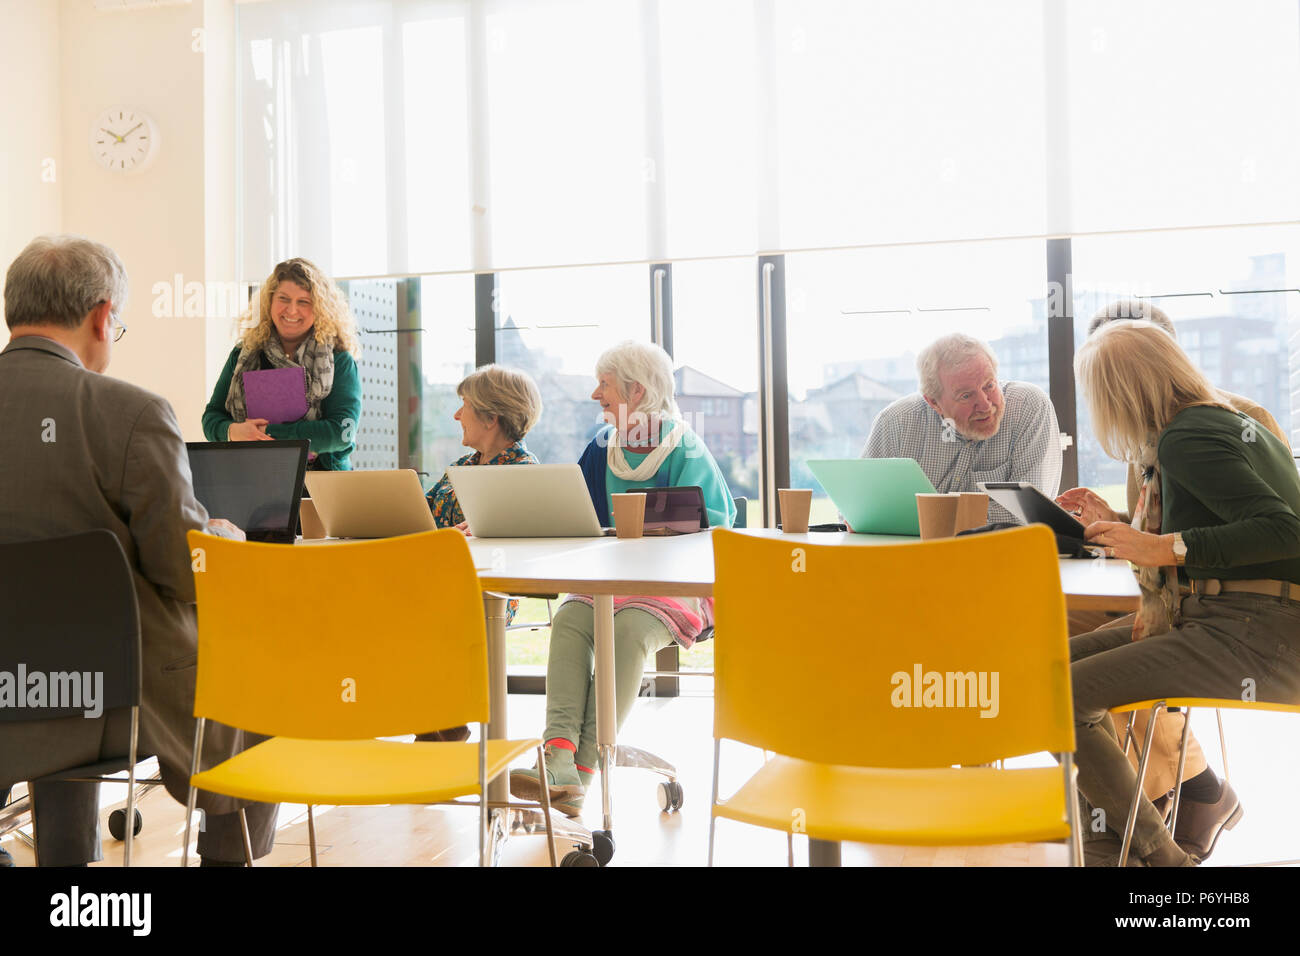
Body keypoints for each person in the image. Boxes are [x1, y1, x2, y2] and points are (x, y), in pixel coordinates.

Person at [0, 235, 278, 866]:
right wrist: (223, 540)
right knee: (251, 655)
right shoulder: (129, 412)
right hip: (116, 697)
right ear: (102, 315)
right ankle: (228, 854)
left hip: (16, 686)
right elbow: (183, 572)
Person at [1058, 300, 1289, 860]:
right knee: (1050, 676)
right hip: (1224, 619)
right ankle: (1124, 831)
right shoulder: (1213, 423)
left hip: (1256, 634)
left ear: (1120, 391)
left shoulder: (1185, 437)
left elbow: (1286, 531)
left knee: (1060, 695)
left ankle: (1154, 854)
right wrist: (1120, 527)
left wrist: (1163, 545)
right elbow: (1216, 532)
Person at [509, 341, 735, 816]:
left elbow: (718, 522)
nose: (596, 394)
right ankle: (559, 756)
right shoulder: (602, 448)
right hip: (607, 581)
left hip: (674, 589)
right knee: (570, 618)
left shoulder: (684, 446)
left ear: (635, 389)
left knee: (629, 628)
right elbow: (572, 511)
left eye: (605, 385)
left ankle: (582, 774)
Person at [416, 364, 542, 743]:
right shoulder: (461, 467)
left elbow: (516, 540)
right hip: (441, 581)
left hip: (490, 590)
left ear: (491, 417)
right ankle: (431, 727)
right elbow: (422, 515)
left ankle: (440, 729)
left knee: (426, 615)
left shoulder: (523, 470)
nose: (457, 415)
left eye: (464, 406)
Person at [862, 332, 1063, 524]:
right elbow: (860, 511)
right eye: (966, 396)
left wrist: (926, 519)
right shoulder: (895, 422)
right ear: (934, 402)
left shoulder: (1029, 407)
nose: (985, 405)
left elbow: (1030, 515)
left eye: (989, 386)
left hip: (1001, 554)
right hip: (914, 557)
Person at [202, 257, 361, 470]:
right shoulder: (244, 353)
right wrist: (232, 431)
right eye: (284, 299)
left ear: (320, 308)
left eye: (304, 302)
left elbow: (343, 433)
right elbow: (212, 417)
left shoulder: (339, 360)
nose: (292, 310)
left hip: (323, 485)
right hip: (252, 477)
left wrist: (268, 433)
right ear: (269, 301)